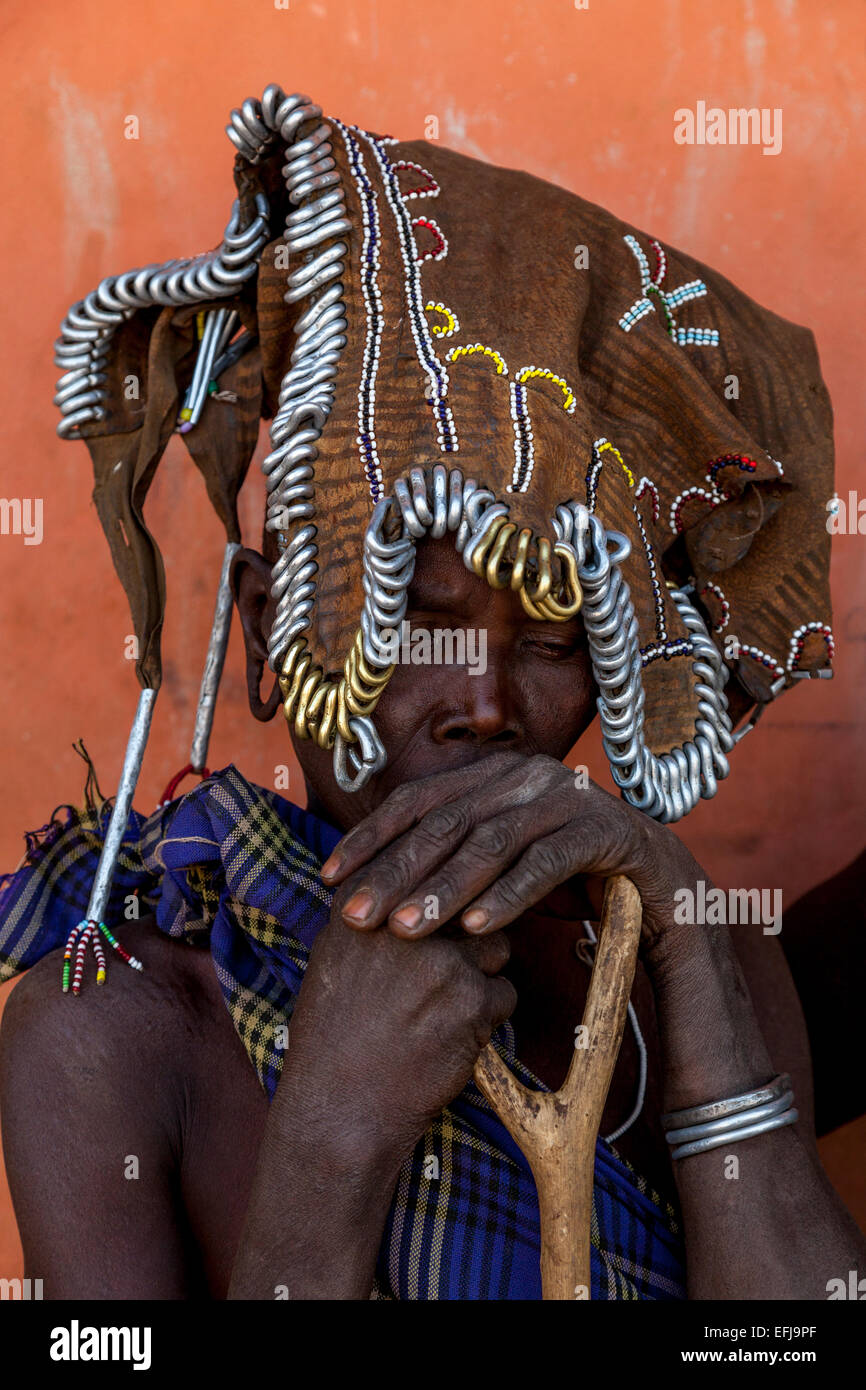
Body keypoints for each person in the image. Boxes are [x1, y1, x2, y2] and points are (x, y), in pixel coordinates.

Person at [1, 84, 862, 1300]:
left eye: (559, 636)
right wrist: (332, 1134)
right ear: (264, 633)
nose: (487, 703)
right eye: (410, 612)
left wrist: (700, 988)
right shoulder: (110, 1031)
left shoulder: (679, 954)